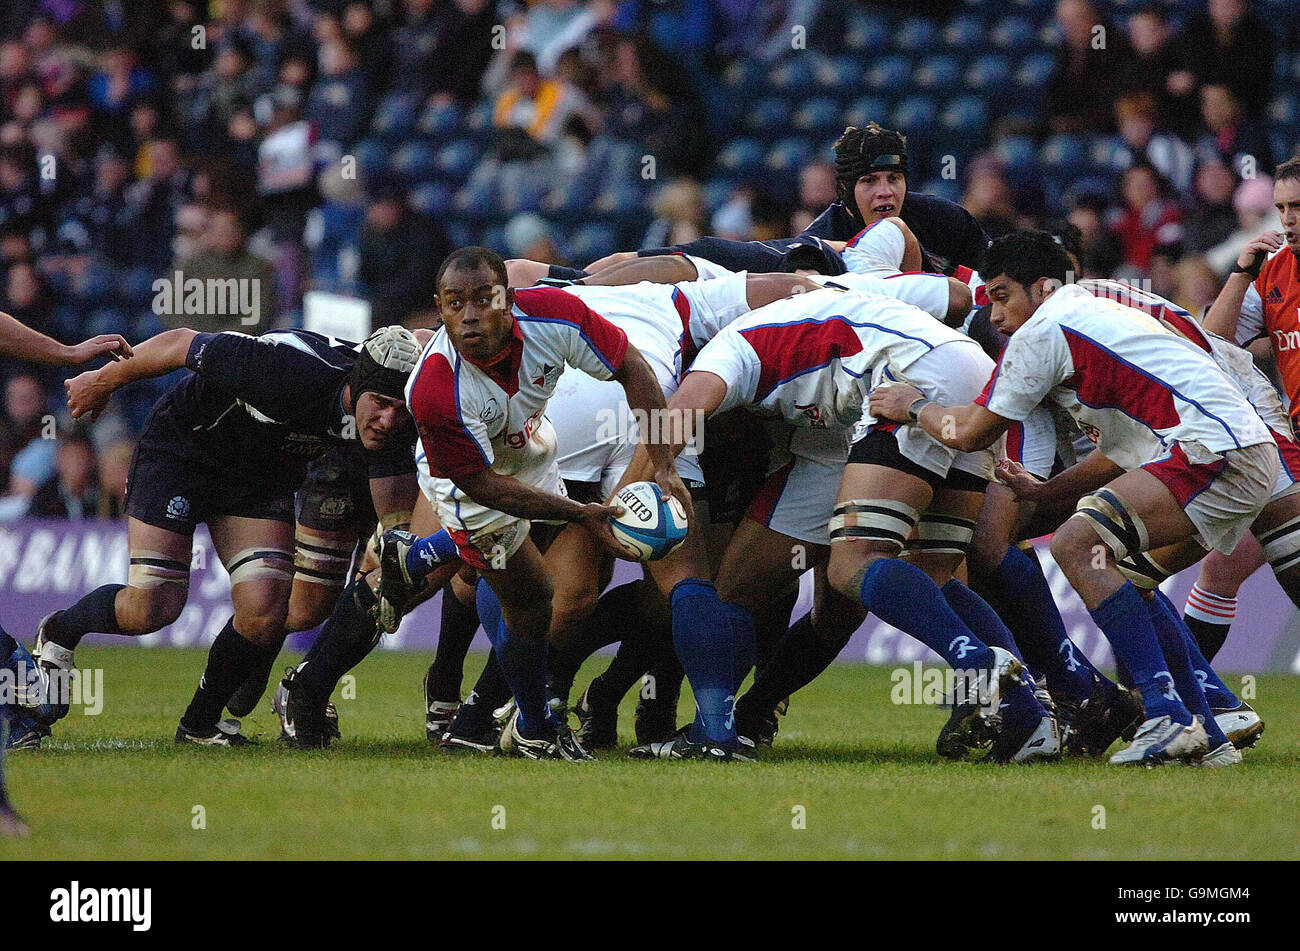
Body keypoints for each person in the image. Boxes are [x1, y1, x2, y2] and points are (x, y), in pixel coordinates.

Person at [869, 230, 1277, 766]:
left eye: (1001, 295)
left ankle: (1168, 717)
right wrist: (1046, 491)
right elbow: (1117, 453)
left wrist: (913, 404)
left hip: (1212, 447)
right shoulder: (1099, 309)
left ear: (1041, 288)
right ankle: (1209, 736)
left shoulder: (1045, 329)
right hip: (1238, 448)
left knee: (1077, 544)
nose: (993, 315)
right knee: (1129, 576)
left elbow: (968, 431)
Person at [38, 325, 421, 746]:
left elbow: (395, 503)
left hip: (259, 479)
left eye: (399, 410)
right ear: (356, 386)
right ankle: (60, 630)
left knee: (264, 613)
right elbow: (179, 342)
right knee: (152, 608)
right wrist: (101, 382)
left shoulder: (396, 416)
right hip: (183, 453)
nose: (389, 420)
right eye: (381, 404)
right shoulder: (288, 369)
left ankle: (199, 725)